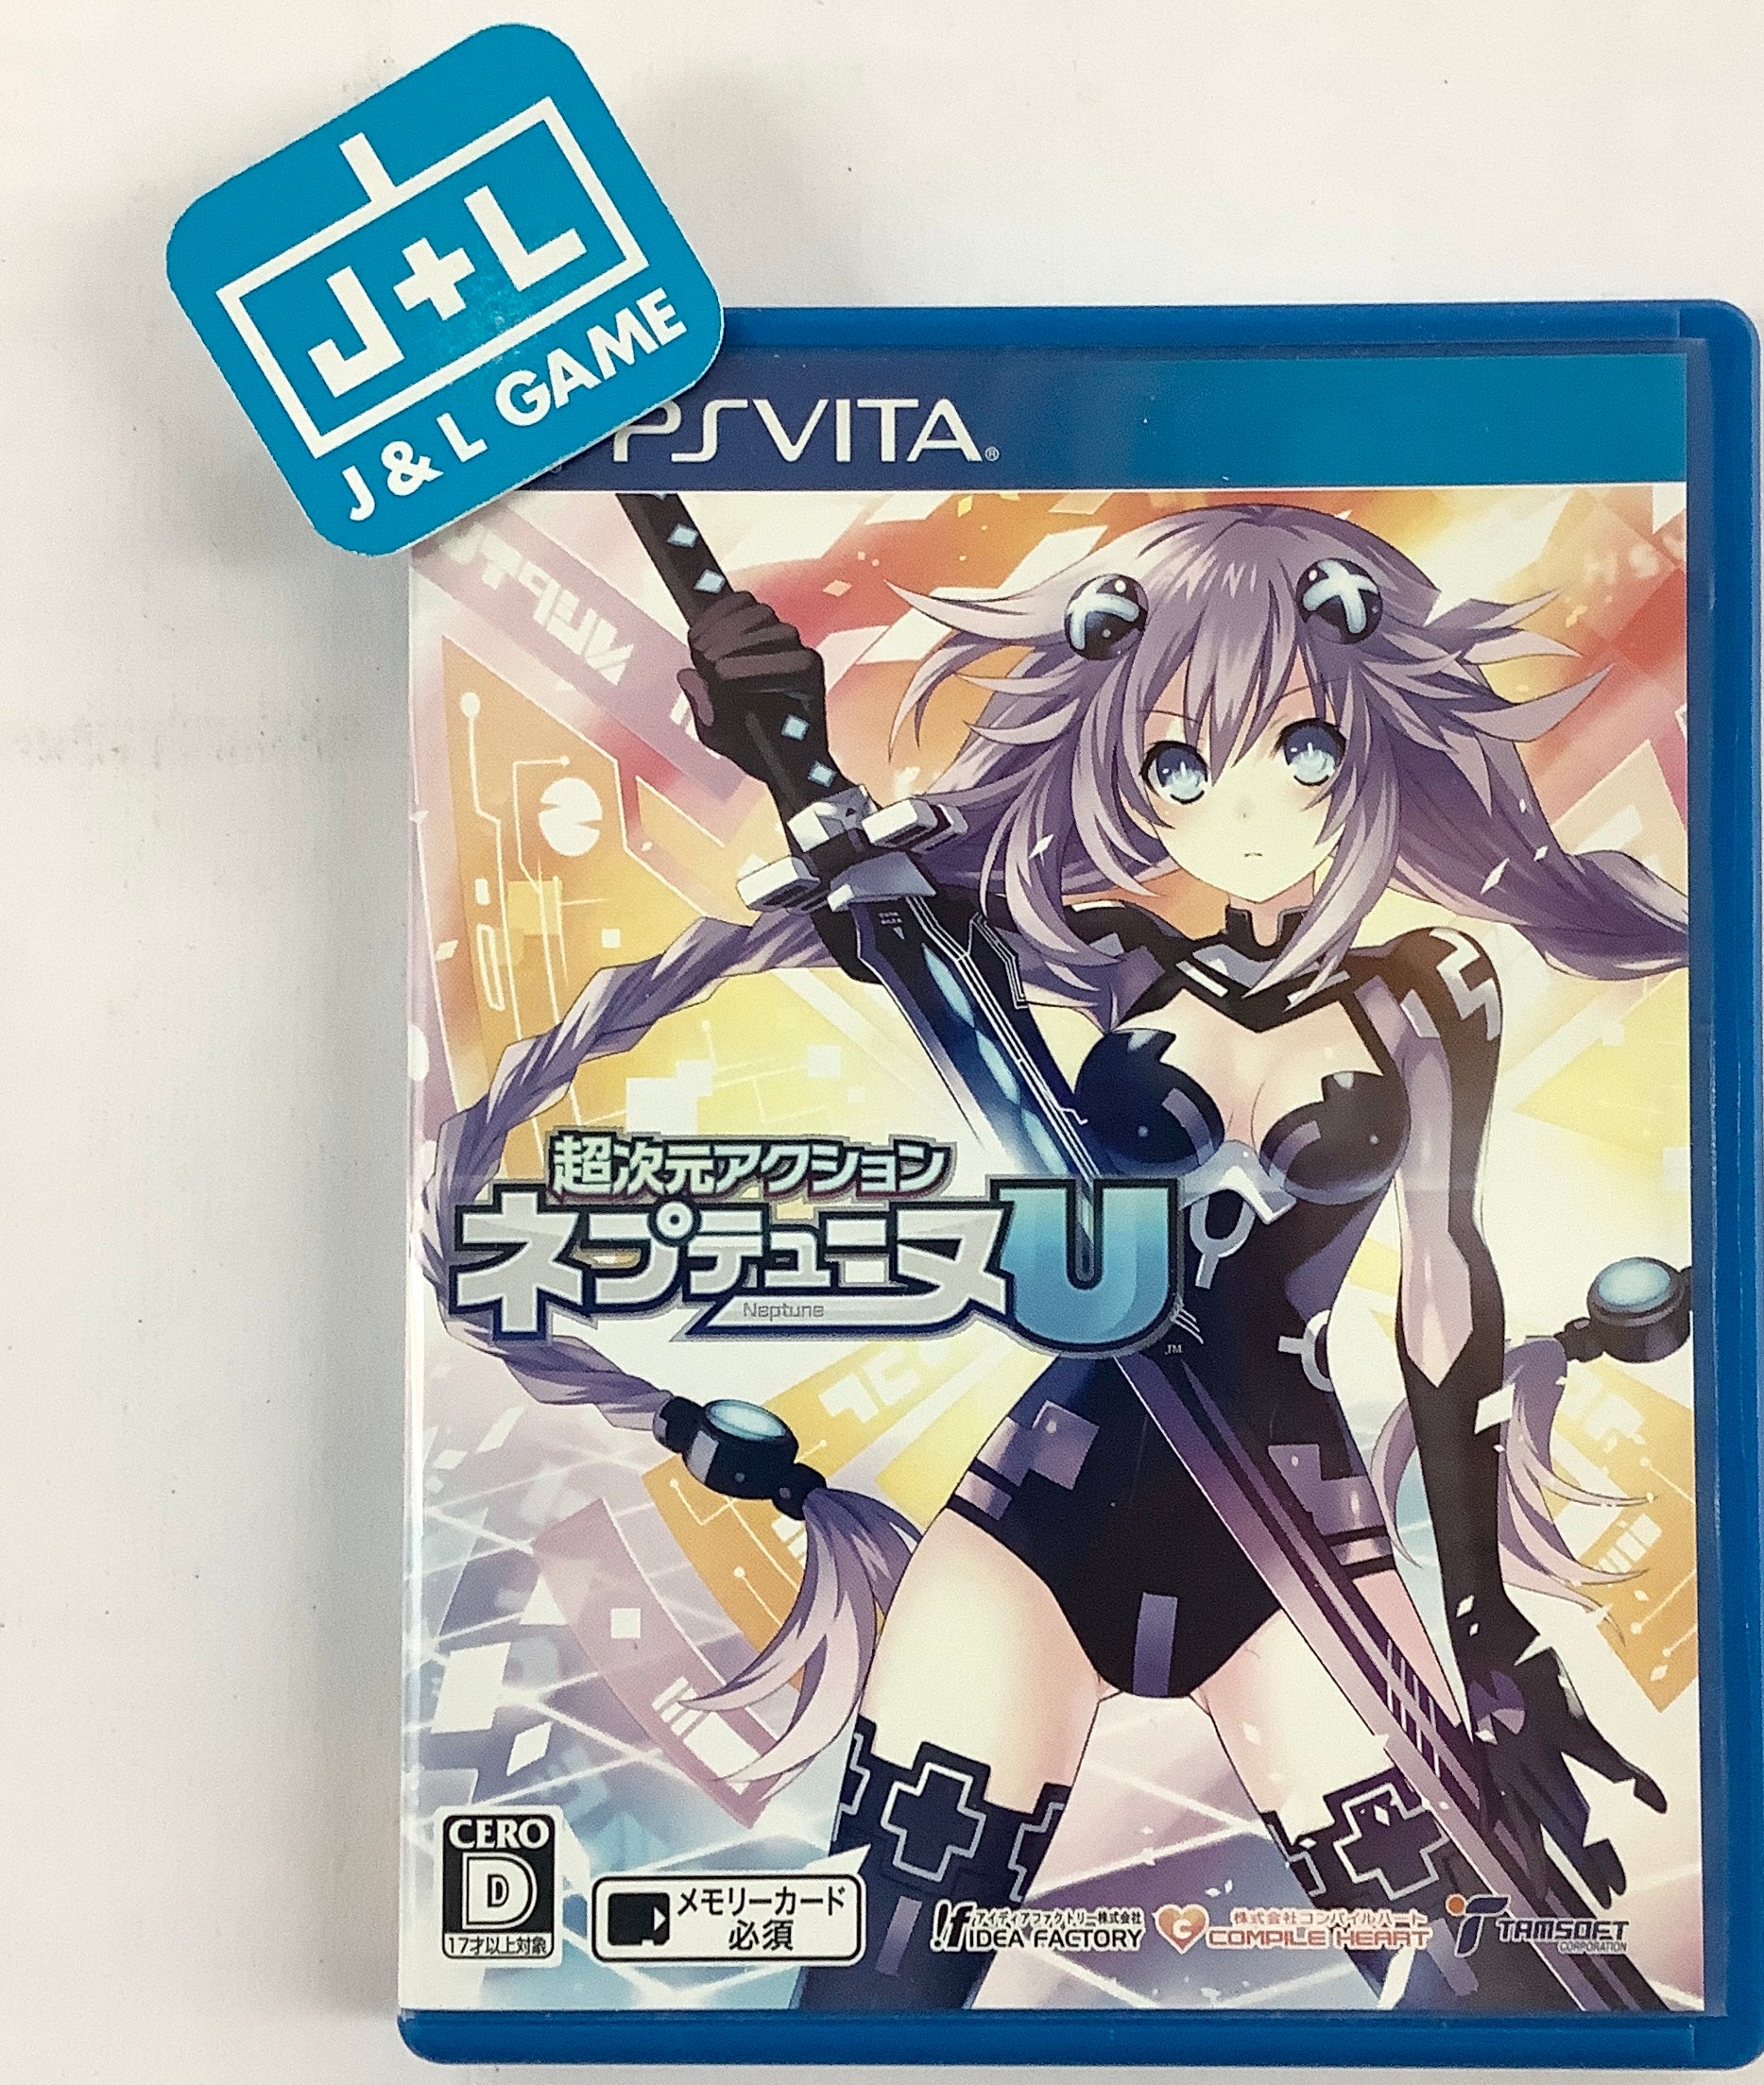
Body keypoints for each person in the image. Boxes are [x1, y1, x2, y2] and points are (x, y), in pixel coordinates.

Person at [428, 503, 1686, 2009]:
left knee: (1494, 2000)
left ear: (1374, 733)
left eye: (1303, 746)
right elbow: (896, 920)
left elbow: (1443, 1297)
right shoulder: (1107, 960)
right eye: (1180, 764)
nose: (1245, 809)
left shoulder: (1427, 990)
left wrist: (1483, 1624)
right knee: (873, 1999)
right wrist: (776, 734)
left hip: (1301, 1547)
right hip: (1039, 1526)